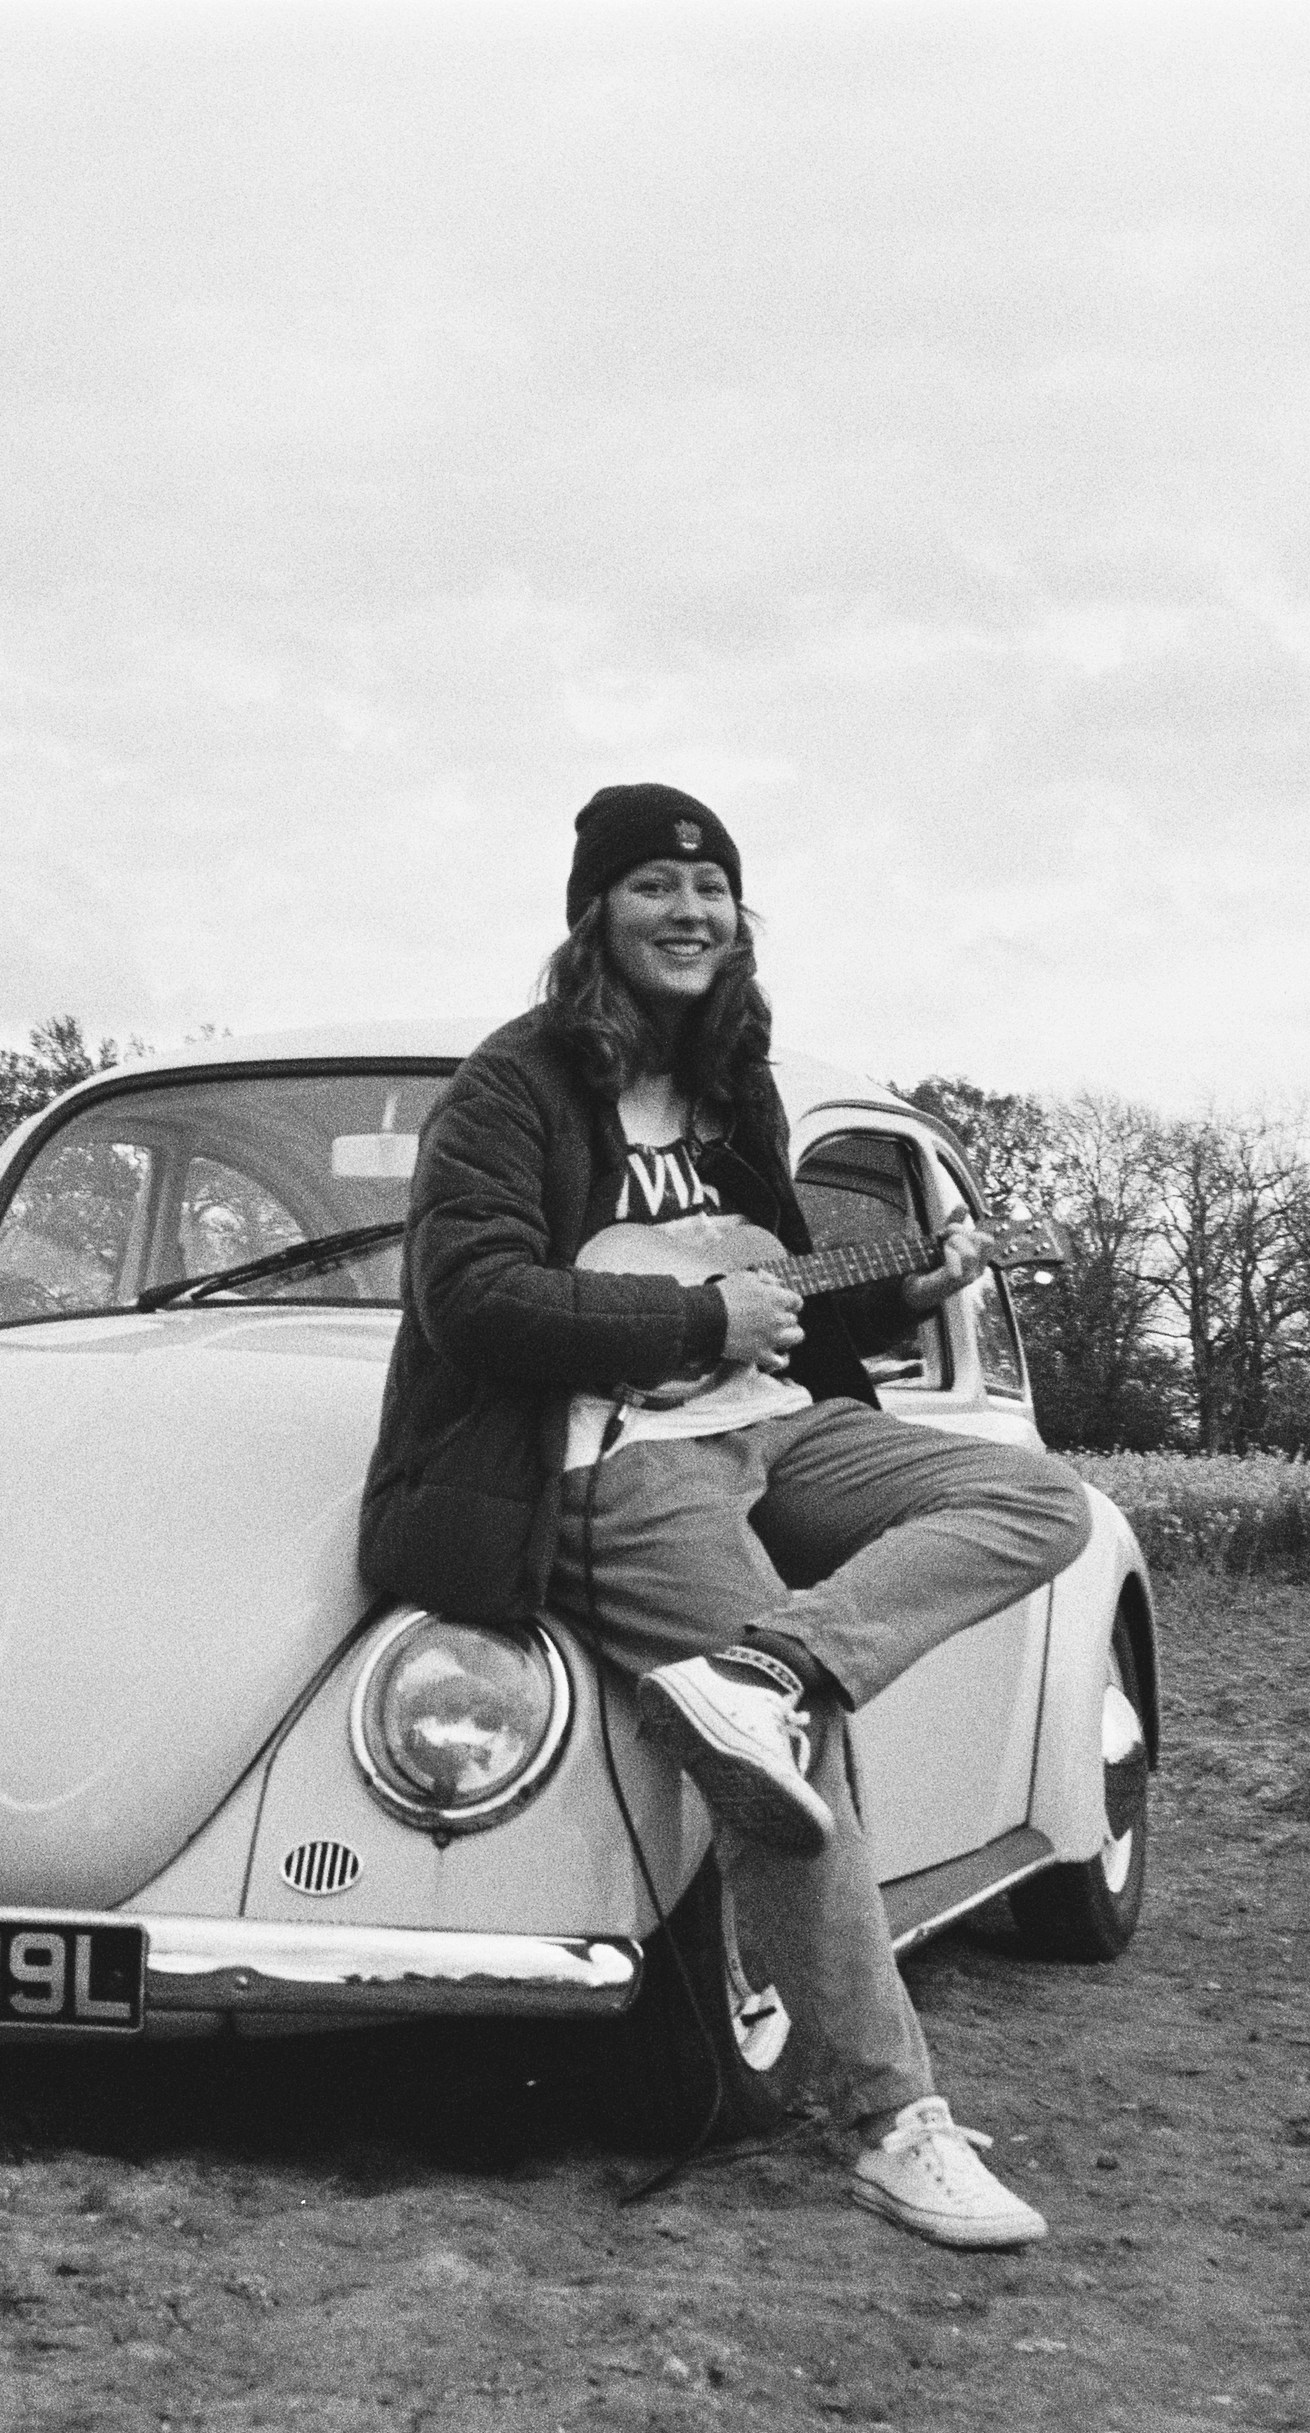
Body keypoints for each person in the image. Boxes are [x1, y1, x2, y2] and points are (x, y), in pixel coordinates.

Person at [358, 781, 1096, 2250]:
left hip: (771, 1428)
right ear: (595, 914)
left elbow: (775, 1286)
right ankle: (890, 2124)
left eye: (710, 889)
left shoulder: (731, 1079)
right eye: (653, 885)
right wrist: (697, 1317)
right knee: (792, 1773)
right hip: (612, 1460)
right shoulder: (512, 1085)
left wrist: (896, 1289)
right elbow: (469, 1296)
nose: (688, 911)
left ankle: (766, 1668)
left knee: (1039, 1501)